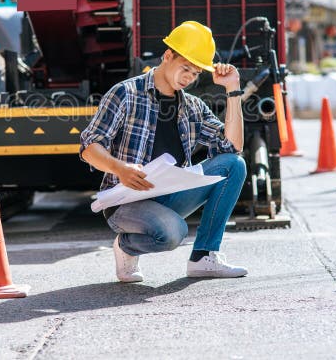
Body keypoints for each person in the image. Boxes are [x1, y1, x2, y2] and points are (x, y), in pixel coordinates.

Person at [80, 21, 248, 282]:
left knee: (234, 164)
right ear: (167, 55)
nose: (189, 78)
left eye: (194, 74)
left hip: (169, 195)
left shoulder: (193, 107)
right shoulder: (125, 93)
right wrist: (119, 169)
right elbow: (89, 147)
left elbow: (232, 146)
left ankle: (204, 257)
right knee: (172, 233)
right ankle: (125, 246)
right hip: (126, 201)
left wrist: (233, 90)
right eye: (185, 68)